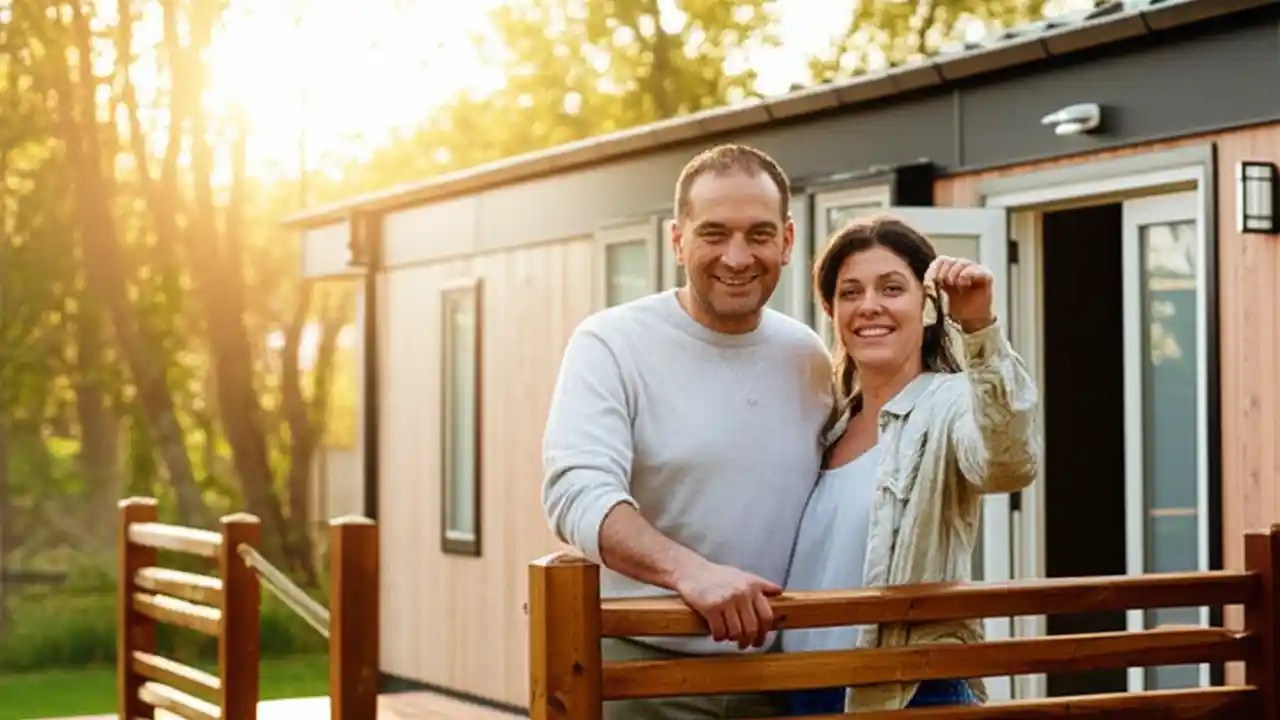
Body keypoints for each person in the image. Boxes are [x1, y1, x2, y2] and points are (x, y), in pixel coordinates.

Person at [541, 144, 835, 719]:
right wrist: (690, 573)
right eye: (714, 233)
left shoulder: (807, 354)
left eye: (758, 234)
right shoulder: (609, 344)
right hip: (641, 672)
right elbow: (576, 493)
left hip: (777, 679)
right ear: (677, 240)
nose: (737, 256)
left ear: (788, 241)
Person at [779, 216, 1041, 714]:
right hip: (801, 692)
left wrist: (979, 328)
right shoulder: (827, 423)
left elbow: (1008, 464)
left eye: (892, 288)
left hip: (905, 693)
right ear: (831, 310)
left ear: (926, 306)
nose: (869, 305)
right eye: (850, 292)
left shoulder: (947, 404)